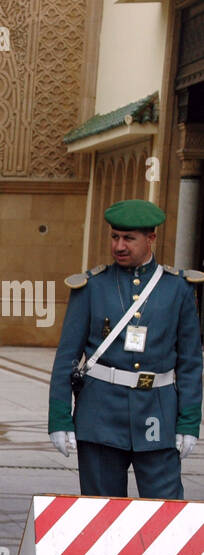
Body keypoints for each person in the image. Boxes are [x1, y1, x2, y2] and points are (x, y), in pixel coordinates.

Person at [48, 199, 202, 499]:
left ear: (151, 239)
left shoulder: (178, 289)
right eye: (115, 236)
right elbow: (66, 357)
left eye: (129, 238)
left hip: (158, 413)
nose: (119, 245)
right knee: (101, 512)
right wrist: (59, 418)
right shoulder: (91, 287)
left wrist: (188, 422)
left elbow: (190, 363)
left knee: (165, 512)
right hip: (100, 415)